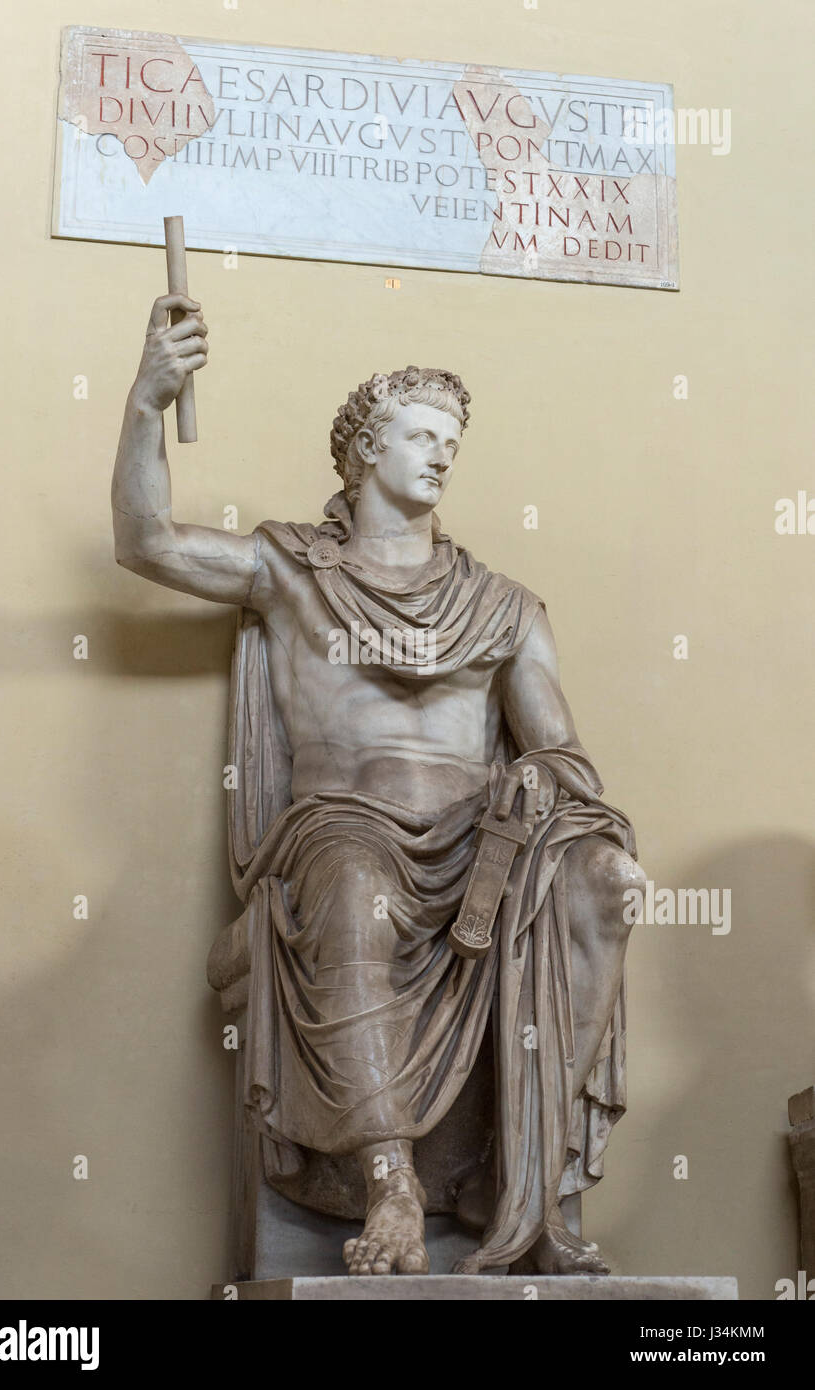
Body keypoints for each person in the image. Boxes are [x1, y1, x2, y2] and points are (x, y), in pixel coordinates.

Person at [112, 293, 645, 1275]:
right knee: (358, 886)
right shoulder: (291, 568)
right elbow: (146, 541)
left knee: (605, 877)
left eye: (452, 439)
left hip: (477, 840)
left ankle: (530, 1187)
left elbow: (565, 753)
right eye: (419, 434)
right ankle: (390, 1178)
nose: (442, 455)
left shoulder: (504, 606)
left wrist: (539, 788)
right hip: (340, 827)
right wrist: (150, 398)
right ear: (363, 449)